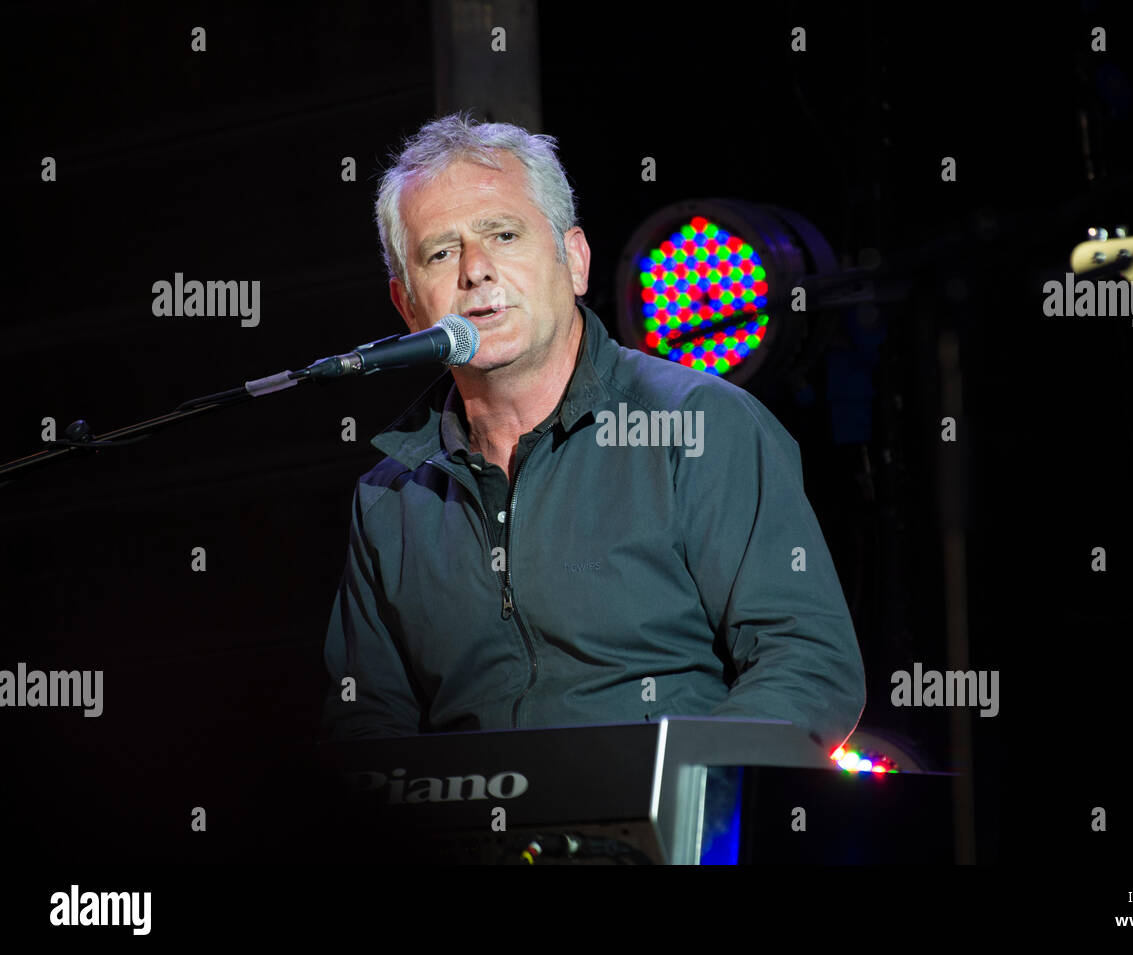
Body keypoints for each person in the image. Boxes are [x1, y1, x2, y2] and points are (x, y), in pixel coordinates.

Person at [321, 112, 865, 751]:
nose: (475, 270)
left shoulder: (699, 426)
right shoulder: (390, 496)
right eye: (441, 252)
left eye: (503, 234)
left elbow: (807, 667)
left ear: (574, 261)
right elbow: (364, 727)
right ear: (407, 307)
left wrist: (670, 793)